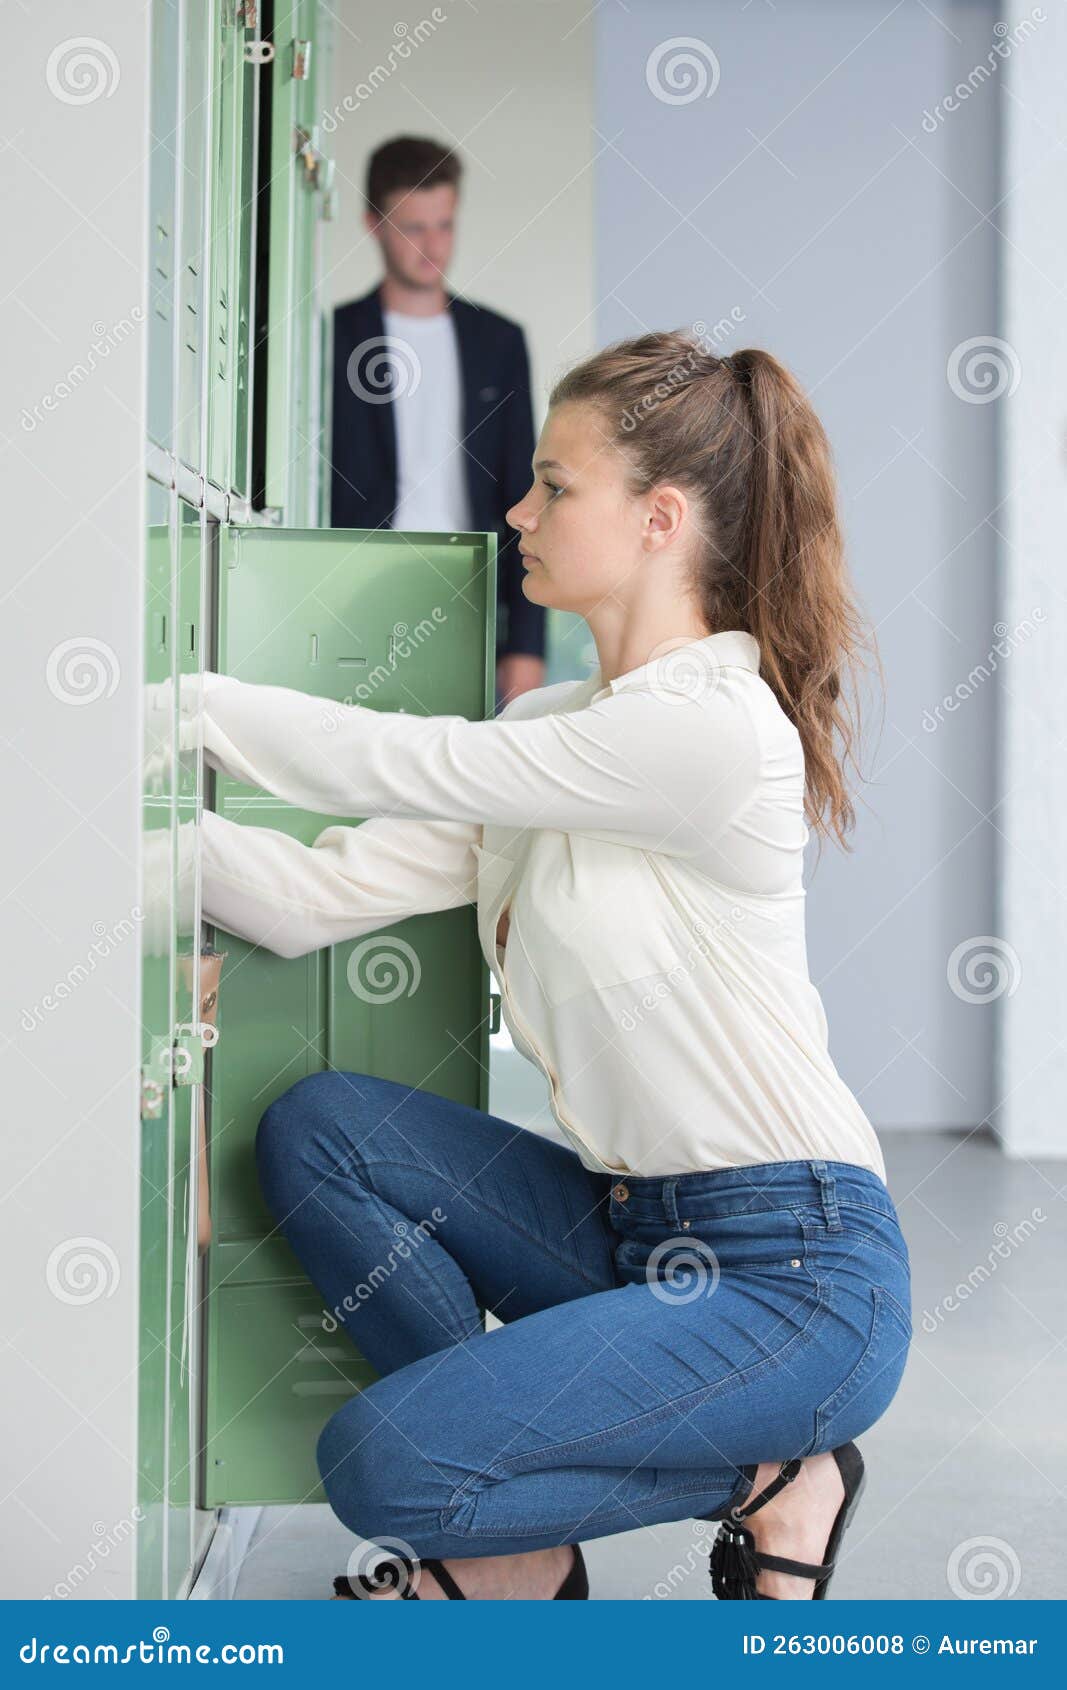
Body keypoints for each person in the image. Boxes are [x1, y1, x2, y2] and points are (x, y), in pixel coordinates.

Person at [182, 331, 912, 1601]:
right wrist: (92, 873)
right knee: (325, 1130)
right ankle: (509, 1543)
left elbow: (412, 764)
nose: (516, 512)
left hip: (796, 1271)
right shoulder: (551, 733)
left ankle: (774, 1475)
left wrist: (176, 711)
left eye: (553, 486)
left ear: (658, 520)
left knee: (378, 1464)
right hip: (635, 1226)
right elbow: (312, 891)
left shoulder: (710, 728)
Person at [330, 135, 546, 707]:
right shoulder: (333, 337)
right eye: (413, 229)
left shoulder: (499, 343)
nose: (433, 246)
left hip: (470, 599)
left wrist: (526, 642)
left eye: (445, 225)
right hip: (357, 595)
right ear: (372, 224)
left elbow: (526, 486)